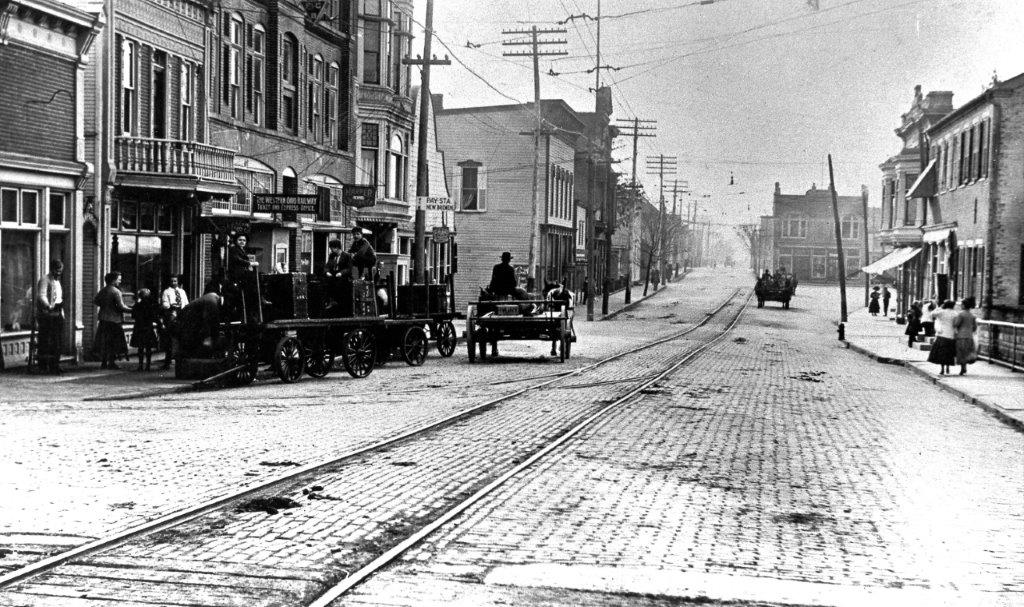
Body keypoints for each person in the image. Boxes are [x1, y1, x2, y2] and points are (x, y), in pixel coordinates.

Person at [93, 271, 131, 369]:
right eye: (119, 279)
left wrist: (105, 305)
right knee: (114, 342)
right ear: (113, 280)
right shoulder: (116, 291)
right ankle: (112, 362)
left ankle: (104, 362)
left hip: (103, 319)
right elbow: (121, 306)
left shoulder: (103, 290)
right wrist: (132, 310)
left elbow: (96, 301)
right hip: (114, 320)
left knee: (105, 342)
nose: (120, 281)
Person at [35, 259, 65, 374]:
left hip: (57, 313)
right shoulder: (45, 280)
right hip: (47, 315)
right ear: (52, 269)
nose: (58, 273)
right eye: (57, 271)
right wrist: (48, 306)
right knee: (46, 339)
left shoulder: (57, 282)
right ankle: (43, 365)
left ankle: (55, 364)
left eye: (60, 271)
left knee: (57, 340)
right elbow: (41, 295)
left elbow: (58, 297)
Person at [226, 233, 259, 320]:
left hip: (243, 274)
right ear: (236, 241)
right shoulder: (234, 249)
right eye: (240, 240)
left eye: (244, 240)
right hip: (237, 276)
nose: (242, 242)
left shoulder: (242, 250)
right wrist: (250, 263)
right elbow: (237, 259)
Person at [160, 275, 188, 369]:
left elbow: (186, 302)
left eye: (175, 281)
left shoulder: (182, 291)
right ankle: (167, 361)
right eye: (172, 281)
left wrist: (185, 309)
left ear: (178, 282)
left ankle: (180, 361)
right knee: (170, 339)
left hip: (181, 314)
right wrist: (170, 306)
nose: (173, 283)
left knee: (181, 337)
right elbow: (164, 303)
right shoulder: (166, 292)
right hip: (172, 314)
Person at [130, 288, 160, 371]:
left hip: (139, 327)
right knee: (148, 348)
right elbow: (154, 316)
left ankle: (140, 365)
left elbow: (133, 315)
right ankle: (148, 365)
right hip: (148, 327)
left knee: (140, 348)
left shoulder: (137, 305)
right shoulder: (151, 305)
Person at [926, 300, 958, 375]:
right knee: (949, 353)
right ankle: (948, 367)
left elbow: (931, 314)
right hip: (951, 335)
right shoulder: (955, 313)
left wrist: (939, 308)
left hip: (942, 334)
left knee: (941, 353)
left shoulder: (942, 312)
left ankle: (942, 369)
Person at [545, 280, 574, 356]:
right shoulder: (566, 294)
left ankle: (554, 348)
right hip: (561, 313)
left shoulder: (552, 292)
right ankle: (557, 347)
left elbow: (549, 304)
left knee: (554, 327)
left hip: (556, 312)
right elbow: (569, 307)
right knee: (560, 327)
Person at [953, 297, 978, 375]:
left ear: (963, 305)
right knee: (967, 352)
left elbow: (956, 324)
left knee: (961, 352)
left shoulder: (961, 314)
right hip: (969, 336)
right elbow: (975, 327)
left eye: (961, 304)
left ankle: (963, 368)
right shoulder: (972, 315)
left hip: (961, 336)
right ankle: (964, 367)